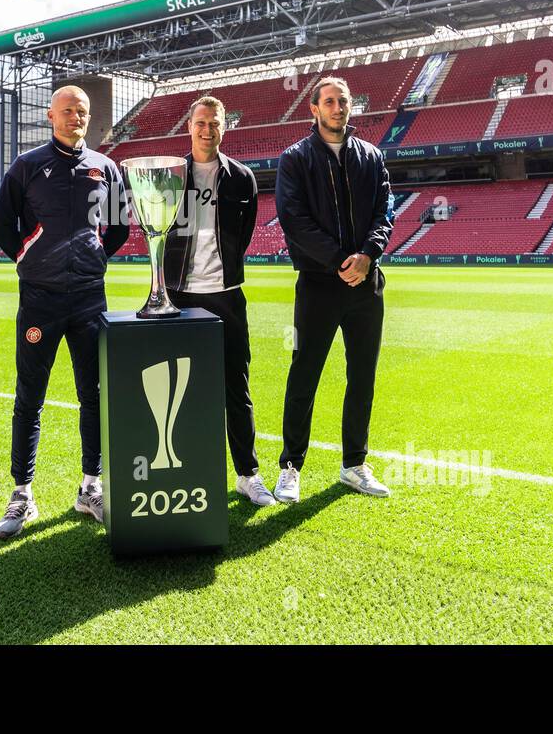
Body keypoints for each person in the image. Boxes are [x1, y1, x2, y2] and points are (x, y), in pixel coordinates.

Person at [0, 85, 130, 538]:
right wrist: (30, 259)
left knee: (96, 394)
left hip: (90, 297)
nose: (75, 117)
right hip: (40, 299)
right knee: (29, 396)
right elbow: (1, 226)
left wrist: (95, 257)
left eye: (82, 111)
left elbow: (119, 227)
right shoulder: (27, 166)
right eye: (67, 110)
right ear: (51, 115)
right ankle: (22, 494)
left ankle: (92, 487)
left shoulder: (104, 167)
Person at [273, 76, 392, 503]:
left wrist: (367, 255)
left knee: (362, 376)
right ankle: (290, 466)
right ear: (314, 109)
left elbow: (385, 210)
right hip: (320, 286)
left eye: (343, 100)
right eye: (329, 101)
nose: (338, 107)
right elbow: (294, 219)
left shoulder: (372, 156)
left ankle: (354, 464)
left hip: (366, 285)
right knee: (305, 374)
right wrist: (341, 260)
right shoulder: (296, 159)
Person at [161, 95, 273, 506]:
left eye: (215, 123)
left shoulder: (241, 177)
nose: (208, 130)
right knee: (179, 386)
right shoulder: (169, 175)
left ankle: (248, 474)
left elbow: (241, 236)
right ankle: (186, 470)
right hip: (179, 295)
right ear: (190, 126)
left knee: (235, 387)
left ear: (226, 127)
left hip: (226, 297)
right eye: (201, 123)